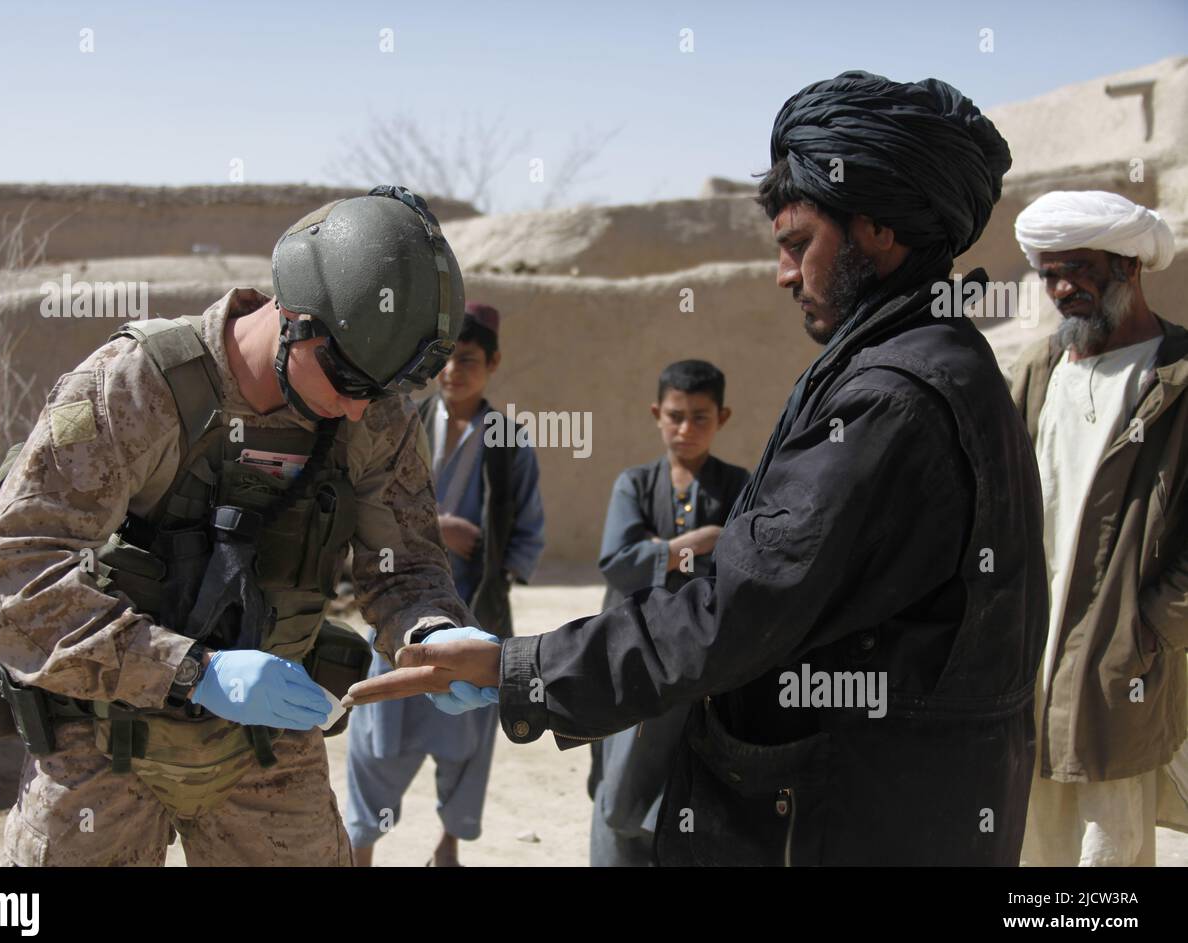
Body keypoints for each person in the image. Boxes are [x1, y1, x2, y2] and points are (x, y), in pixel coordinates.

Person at [345, 71, 1050, 866]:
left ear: (880, 229)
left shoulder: (891, 399)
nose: (784, 275)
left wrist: (523, 667)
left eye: (797, 245)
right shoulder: (941, 364)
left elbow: (734, 611)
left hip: (849, 818)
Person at [0, 186, 473, 866]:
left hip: (268, 744)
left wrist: (434, 633)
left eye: (375, 395)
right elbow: (13, 582)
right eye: (347, 384)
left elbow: (405, 569)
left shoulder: (373, 405)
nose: (357, 414)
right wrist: (192, 670)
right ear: (293, 318)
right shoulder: (139, 387)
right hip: (104, 737)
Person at [1010, 190, 1188, 866]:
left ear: (1128, 267)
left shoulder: (1176, 376)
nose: (1061, 288)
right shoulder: (1039, 370)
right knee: (1028, 848)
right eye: (1049, 273)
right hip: (1027, 662)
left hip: (1118, 671)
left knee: (1105, 856)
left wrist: (1151, 629)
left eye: (1079, 269)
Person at [344, 301, 544, 866]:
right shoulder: (403, 423)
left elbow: (529, 531)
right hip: (400, 607)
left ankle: (448, 846)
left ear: (493, 363)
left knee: (467, 737)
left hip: (474, 611)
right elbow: (372, 503)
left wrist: (490, 558)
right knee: (377, 733)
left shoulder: (509, 442)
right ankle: (362, 849)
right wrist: (435, 531)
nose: (455, 371)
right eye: (447, 360)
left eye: (469, 359)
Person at [588, 359, 747, 865]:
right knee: (621, 787)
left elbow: (744, 560)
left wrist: (657, 549)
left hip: (702, 664)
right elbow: (618, 564)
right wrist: (691, 546)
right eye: (675, 416)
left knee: (691, 787)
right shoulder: (633, 485)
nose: (685, 429)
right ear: (657, 414)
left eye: (700, 417)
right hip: (632, 656)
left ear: (722, 418)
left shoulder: (738, 486)